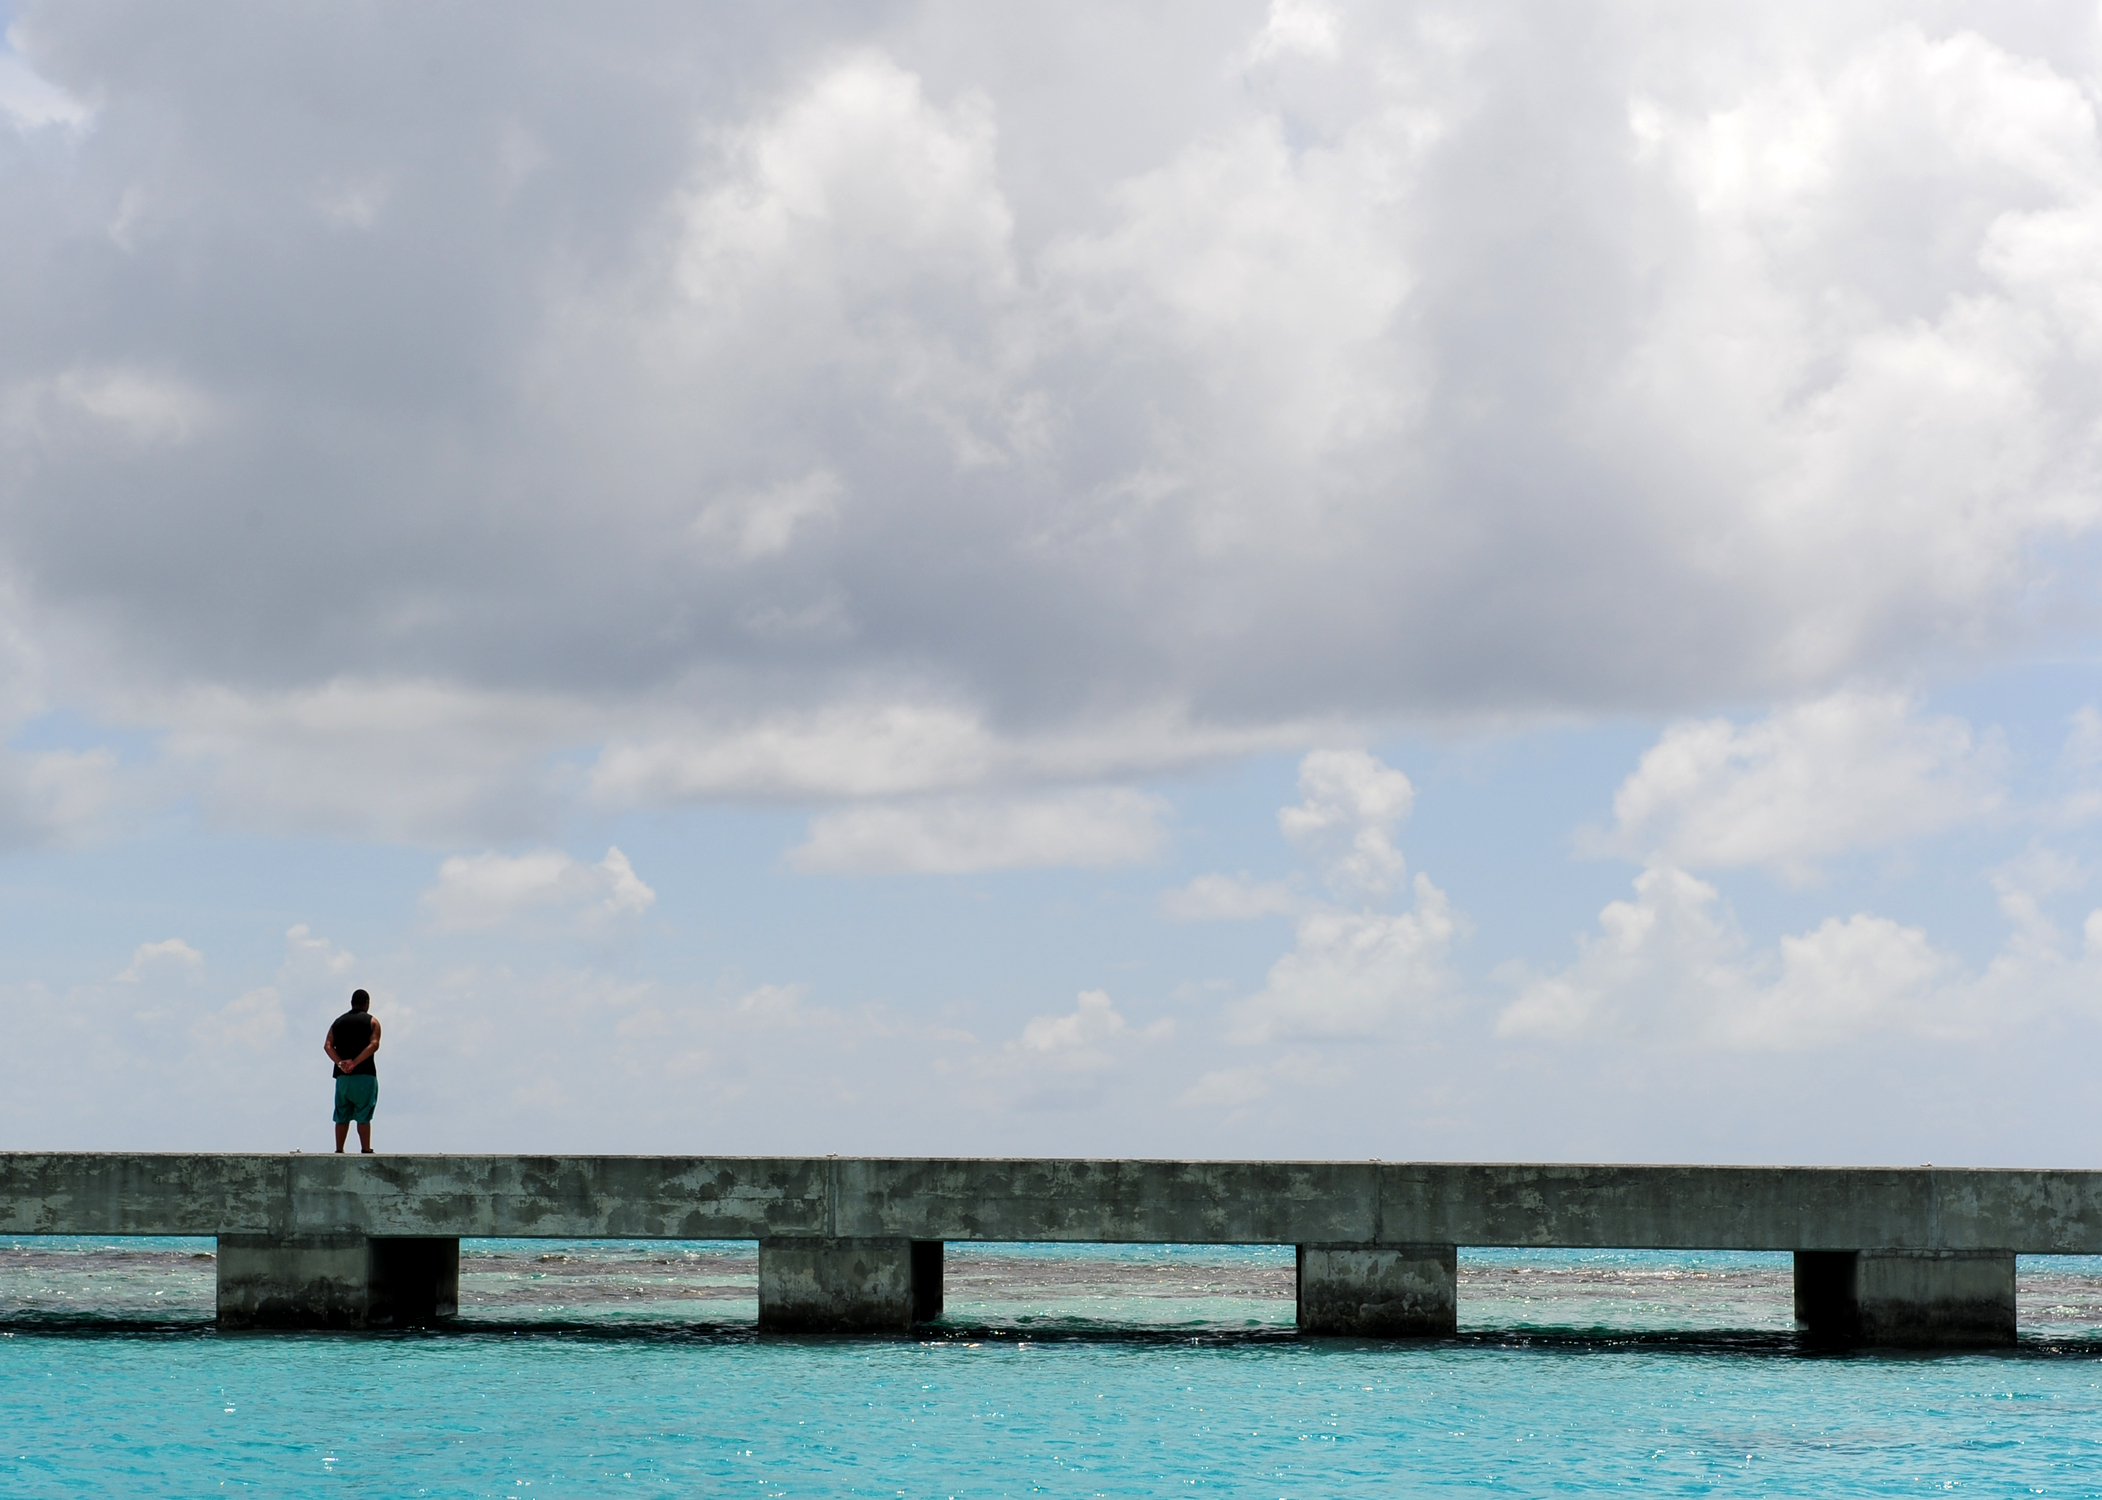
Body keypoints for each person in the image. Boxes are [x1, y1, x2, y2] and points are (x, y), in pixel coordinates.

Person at [325, 988, 382, 1154]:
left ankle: (339, 1150)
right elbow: (374, 1044)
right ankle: (365, 1149)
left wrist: (341, 1063)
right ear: (367, 1004)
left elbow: (328, 1045)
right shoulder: (372, 1022)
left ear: (351, 1003)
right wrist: (355, 1062)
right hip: (365, 1075)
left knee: (342, 1113)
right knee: (364, 1114)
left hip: (344, 1078)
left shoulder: (337, 1022)